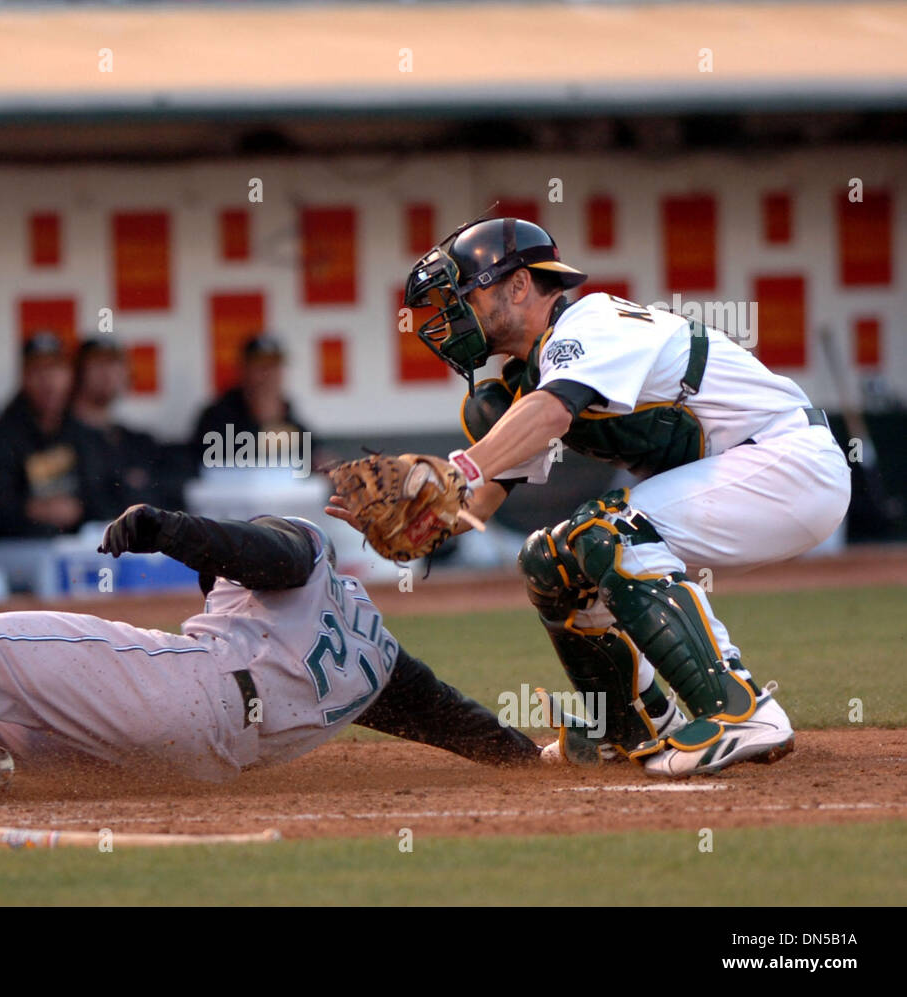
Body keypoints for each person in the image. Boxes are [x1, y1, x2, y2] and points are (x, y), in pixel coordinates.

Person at [332, 216, 850, 778]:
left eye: (464, 292)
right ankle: (635, 728)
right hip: (743, 476)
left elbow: (550, 411)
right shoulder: (519, 384)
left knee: (608, 528)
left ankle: (740, 710)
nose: (453, 311)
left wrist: (457, 468)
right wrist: (422, 521)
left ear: (519, 285)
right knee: (547, 560)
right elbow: (475, 506)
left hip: (791, 461)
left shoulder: (592, 322)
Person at [0, 505, 541, 800]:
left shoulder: (306, 547)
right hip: (196, 764)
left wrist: (169, 528)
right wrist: (525, 759)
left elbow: (259, 549)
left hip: (194, 690)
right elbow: (450, 718)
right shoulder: (378, 656)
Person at [0, 332, 83, 542]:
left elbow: (104, 497)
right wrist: (31, 509)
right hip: (12, 547)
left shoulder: (81, 434)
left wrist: (78, 507)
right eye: (37, 370)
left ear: (70, 376)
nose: (48, 380)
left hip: (75, 545)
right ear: (23, 378)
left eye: (56, 369)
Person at [66, 336, 184, 520]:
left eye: (114, 364)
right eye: (97, 364)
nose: (107, 373)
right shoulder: (61, 436)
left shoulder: (136, 440)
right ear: (78, 372)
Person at [192, 334, 310, 465]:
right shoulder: (218, 414)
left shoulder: (286, 409)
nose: (269, 375)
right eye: (261, 367)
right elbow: (220, 458)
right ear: (243, 370)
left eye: (274, 366)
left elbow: (311, 451)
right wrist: (261, 422)